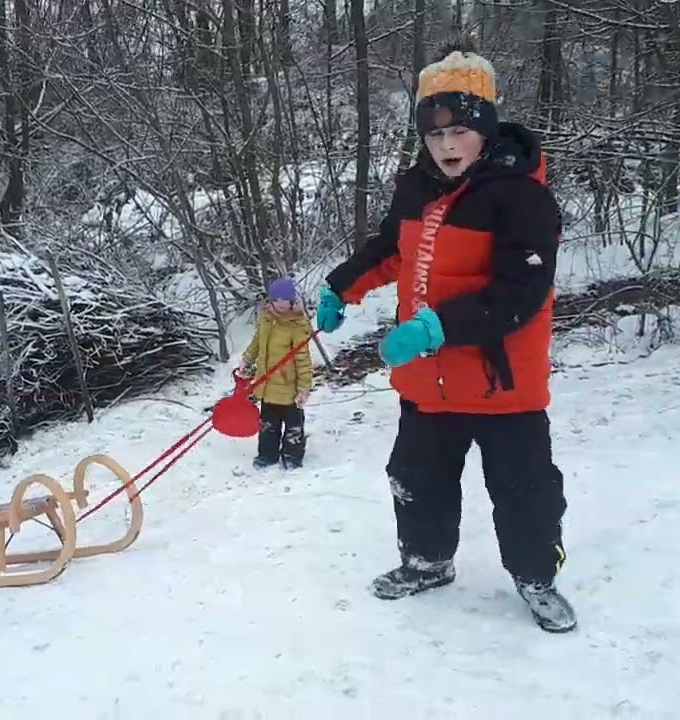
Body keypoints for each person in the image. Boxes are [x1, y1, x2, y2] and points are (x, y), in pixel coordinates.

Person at [313, 45, 575, 633]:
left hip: (502, 385)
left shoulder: (521, 195)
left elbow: (523, 288)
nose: (447, 145)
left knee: (525, 490)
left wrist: (438, 327)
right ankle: (427, 562)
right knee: (417, 479)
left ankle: (536, 578)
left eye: (459, 131)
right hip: (429, 385)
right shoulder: (417, 188)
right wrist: (340, 287)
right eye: (435, 135)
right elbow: (391, 249)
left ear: (485, 129)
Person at [237, 278, 314, 470]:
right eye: (276, 299)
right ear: (271, 300)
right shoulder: (266, 319)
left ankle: (292, 456)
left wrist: (304, 387)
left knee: (293, 426)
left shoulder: (297, 325)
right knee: (268, 425)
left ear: (292, 300)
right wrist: (247, 359)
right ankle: (267, 455)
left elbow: (303, 360)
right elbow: (257, 342)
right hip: (267, 385)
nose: (280, 303)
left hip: (289, 388)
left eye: (285, 299)